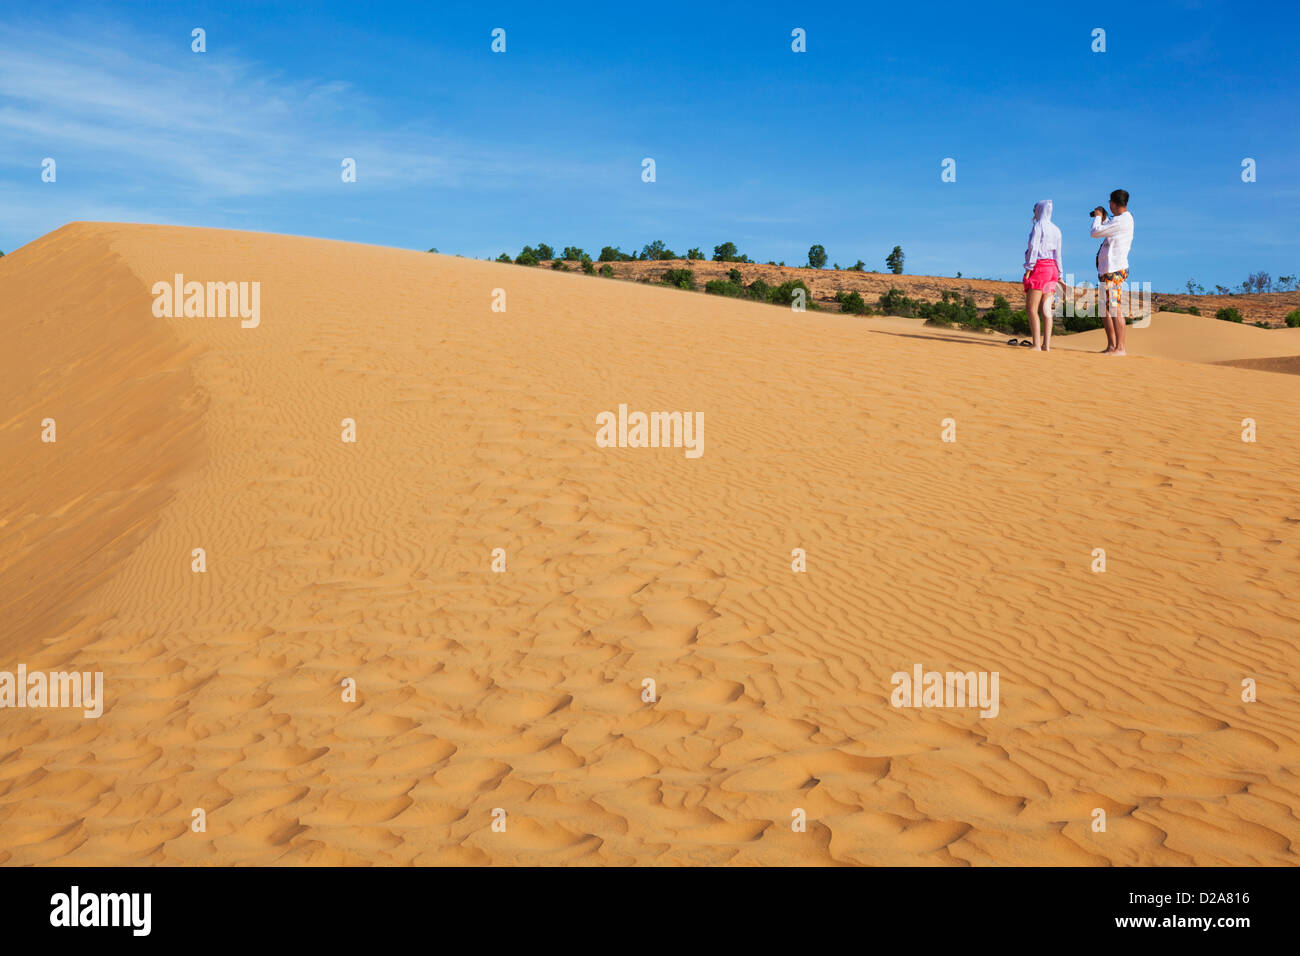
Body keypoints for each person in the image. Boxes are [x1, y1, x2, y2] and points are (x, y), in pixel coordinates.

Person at [1090, 189, 1135, 355]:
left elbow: (1095, 232)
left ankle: (1120, 347)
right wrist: (1105, 219)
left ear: (1113, 203)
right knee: (1105, 309)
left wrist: (1097, 217)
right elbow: (1110, 229)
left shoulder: (1123, 220)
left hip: (1114, 270)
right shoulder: (1119, 220)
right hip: (1108, 270)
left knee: (1114, 308)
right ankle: (1112, 345)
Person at [1022, 200, 1063, 351]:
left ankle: (1036, 344)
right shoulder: (1057, 229)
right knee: (1046, 310)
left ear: (1039, 211)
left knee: (1031, 308)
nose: (1034, 213)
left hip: (1040, 268)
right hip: (1052, 269)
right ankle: (1047, 345)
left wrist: (1029, 268)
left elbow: (1033, 247)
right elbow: (1058, 254)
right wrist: (1059, 274)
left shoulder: (1038, 226)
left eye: (1035, 210)